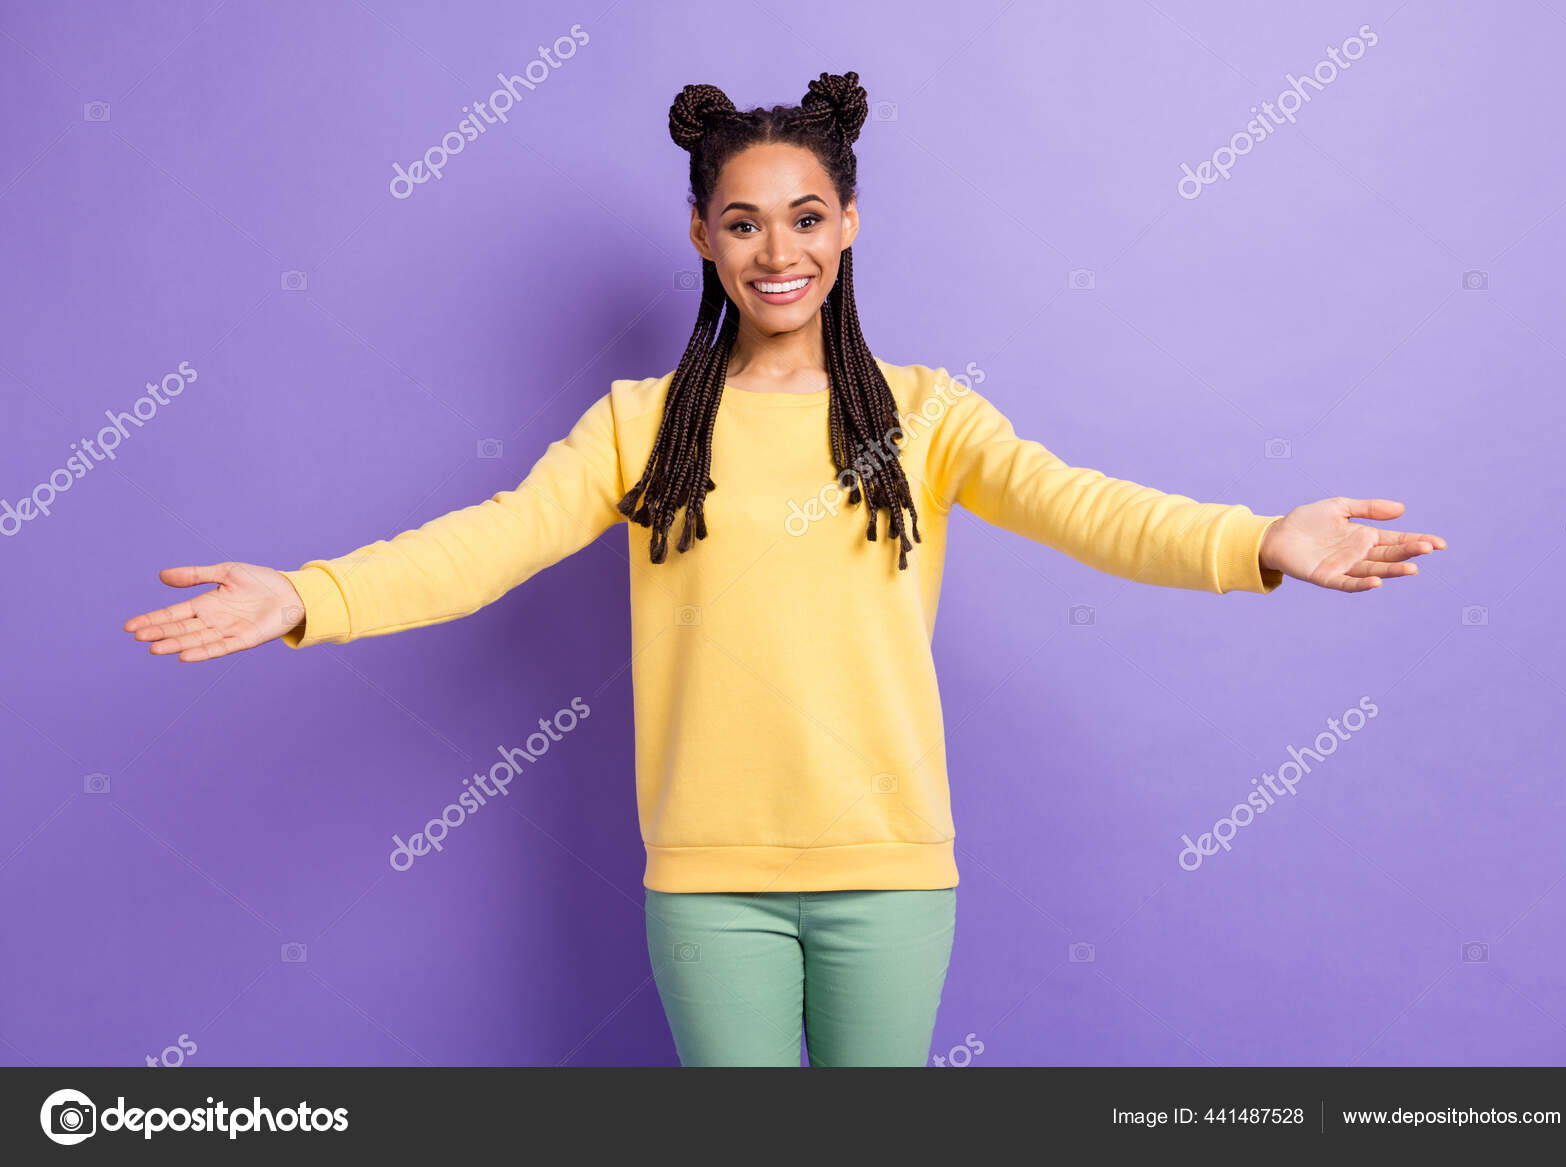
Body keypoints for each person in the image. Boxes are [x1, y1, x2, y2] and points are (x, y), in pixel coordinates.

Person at [124, 71, 1446, 1067]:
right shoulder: (641, 425)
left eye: (807, 219)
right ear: (701, 235)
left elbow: (1084, 506)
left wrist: (1257, 541)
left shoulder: (924, 414)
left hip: (890, 869)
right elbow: (489, 541)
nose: (780, 252)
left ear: (851, 223)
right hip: (708, 880)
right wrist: (308, 595)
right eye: (744, 223)